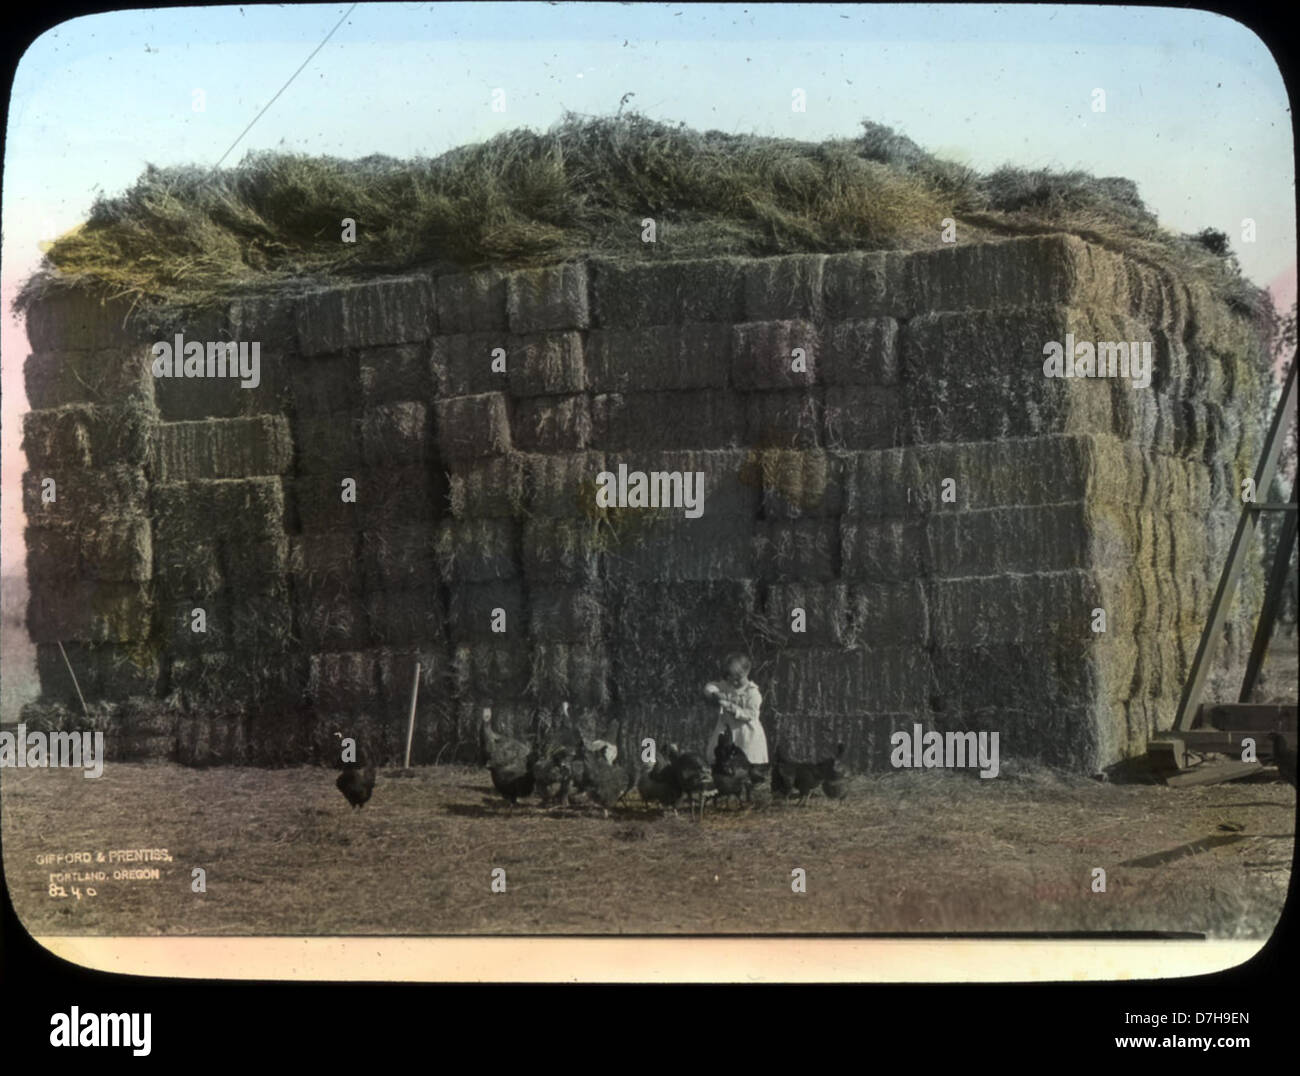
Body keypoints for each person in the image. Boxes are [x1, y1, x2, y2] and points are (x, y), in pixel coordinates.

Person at [703, 653, 768, 764]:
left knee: (747, 760)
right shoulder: (726, 686)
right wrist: (715, 693)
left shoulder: (752, 692)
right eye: (732, 679)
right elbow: (709, 686)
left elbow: (751, 714)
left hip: (746, 733)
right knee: (721, 759)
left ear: (746, 673)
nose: (735, 682)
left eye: (738, 679)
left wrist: (734, 709)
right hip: (727, 730)